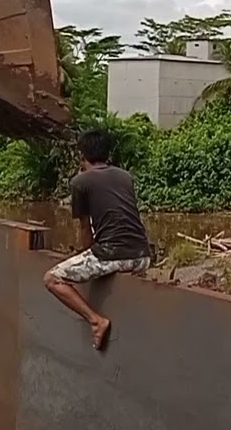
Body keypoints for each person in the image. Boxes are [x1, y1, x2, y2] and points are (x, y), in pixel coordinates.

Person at [42, 128, 151, 351]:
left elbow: (84, 228)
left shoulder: (81, 182)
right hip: (142, 255)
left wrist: (83, 252)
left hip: (113, 255)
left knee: (52, 279)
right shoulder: (125, 176)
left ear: (82, 155)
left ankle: (96, 320)